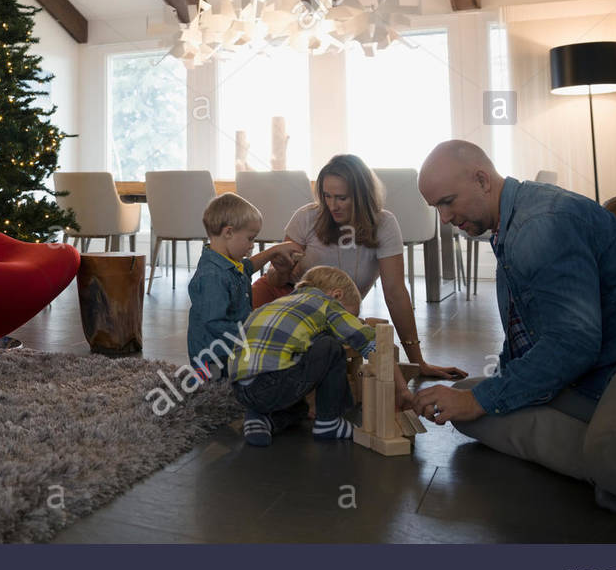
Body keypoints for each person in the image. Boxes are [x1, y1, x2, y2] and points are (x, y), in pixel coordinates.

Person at [414, 140, 616, 513]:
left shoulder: (539, 225)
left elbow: (574, 342)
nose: (444, 218)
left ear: (482, 180)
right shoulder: (507, 229)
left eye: (447, 202)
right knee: (464, 399)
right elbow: (527, 340)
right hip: (600, 367)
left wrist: (481, 400)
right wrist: (475, 399)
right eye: (436, 208)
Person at [279, 153, 465, 381]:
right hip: (291, 309)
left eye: (341, 198)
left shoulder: (384, 225)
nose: (332, 205)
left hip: (334, 319)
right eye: (327, 196)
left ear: (361, 195)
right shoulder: (306, 218)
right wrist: (281, 268)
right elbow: (278, 281)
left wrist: (418, 362)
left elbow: (396, 295)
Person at [229, 265, 376, 446]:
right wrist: (378, 349)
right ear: (336, 295)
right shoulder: (327, 304)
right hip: (272, 384)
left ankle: (260, 418)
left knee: (301, 409)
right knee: (331, 346)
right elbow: (361, 337)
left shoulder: (278, 304)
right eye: (349, 315)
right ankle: (329, 423)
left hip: (241, 390)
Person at [187, 193, 301, 380]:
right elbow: (215, 323)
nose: (252, 246)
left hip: (230, 350)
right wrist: (251, 338)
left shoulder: (228, 262)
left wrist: (274, 251)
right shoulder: (212, 276)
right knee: (212, 386)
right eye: (250, 238)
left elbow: (248, 268)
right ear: (228, 232)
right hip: (213, 356)